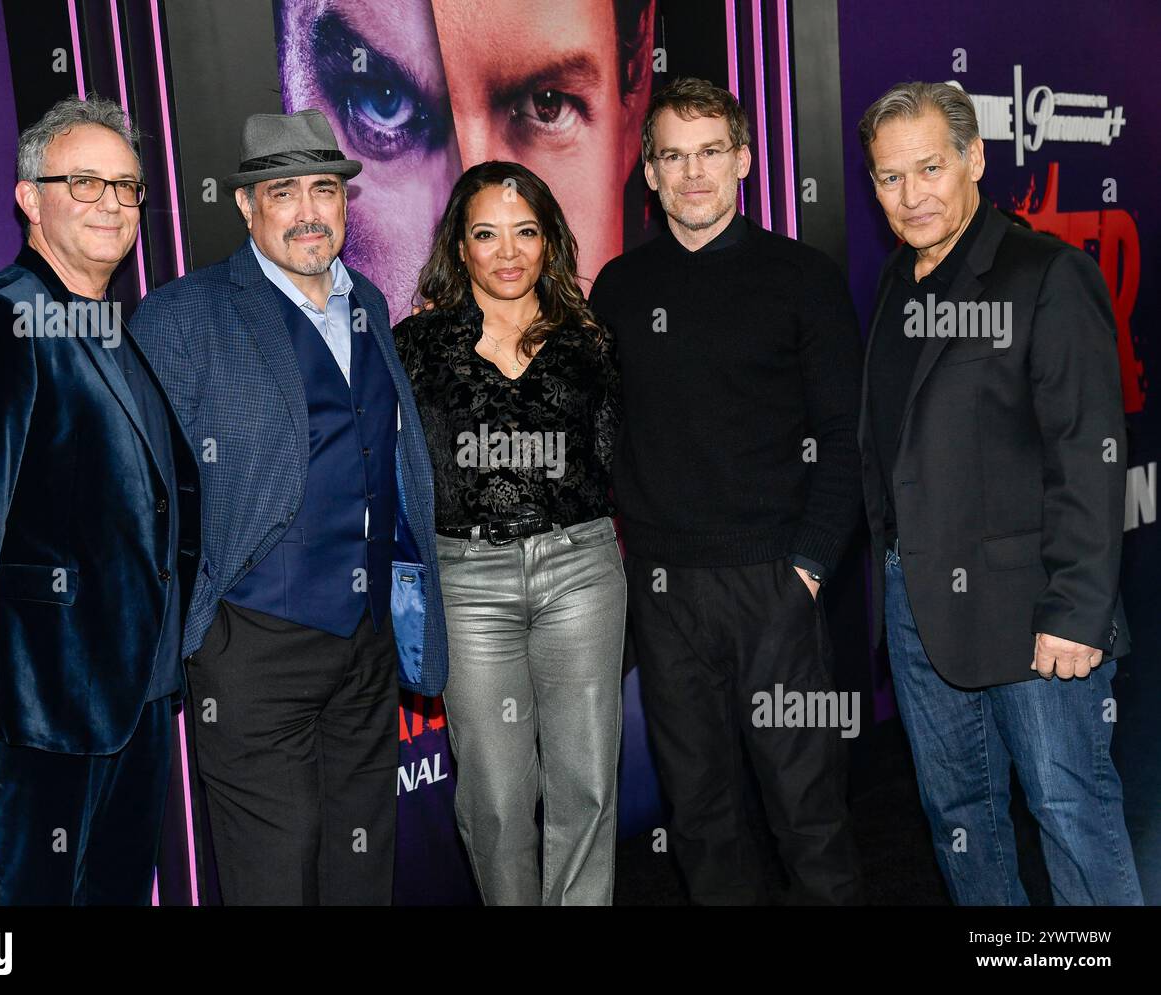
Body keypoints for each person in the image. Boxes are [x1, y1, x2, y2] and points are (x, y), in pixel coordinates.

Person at [131, 110, 447, 905]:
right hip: (252, 648)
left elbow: (394, 461)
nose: (308, 210)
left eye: (323, 189)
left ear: (345, 201)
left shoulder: (370, 300)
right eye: (282, 192)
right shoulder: (181, 315)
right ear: (246, 207)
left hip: (367, 642)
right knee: (271, 873)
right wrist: (197, 627)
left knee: (360, 858)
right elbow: (143, 498)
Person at [0, 95, 200, 905]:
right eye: (85, 182)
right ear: (29, 197)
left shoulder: (111, 327)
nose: (111, 202)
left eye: (127, 187)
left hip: (135, 707)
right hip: (39, 721)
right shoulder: (0, 324)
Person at [857, 81, 1142, 905]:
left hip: (1033, 612)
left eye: (930, 168)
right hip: (920, 607)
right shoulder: (893, 285)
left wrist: (1077, 610)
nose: (911, 196)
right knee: (958, 814)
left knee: (1068, 808)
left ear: (976, 158)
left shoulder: (1046, 274)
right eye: (888, 177)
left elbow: (1091, 452)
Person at [588, 77, 865, 904]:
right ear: (649, 172)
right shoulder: (619, 290)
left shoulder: (802, 279)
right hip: (665, 591)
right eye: (673, 155)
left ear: (743, 159)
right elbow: (605, 436)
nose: (693, 173)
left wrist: (807, 571)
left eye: (711, 152)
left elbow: (847, 441)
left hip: (774, 582)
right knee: (701, 818)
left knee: (808, 813)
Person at [393, 161, 625, 905]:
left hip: (581, 570)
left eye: (526, 232)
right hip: (467, 582)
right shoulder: (415, 348)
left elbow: (614, 459)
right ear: (459, 247)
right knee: (493, 800)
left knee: (585, 785)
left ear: (550, 241)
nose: (508, 251)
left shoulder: (590, 343)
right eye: (486, 233)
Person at [276, 0, 655, 321]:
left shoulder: (609, 360)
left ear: (632, 111)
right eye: (384, 101)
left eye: (547, 105)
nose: (474, 227)